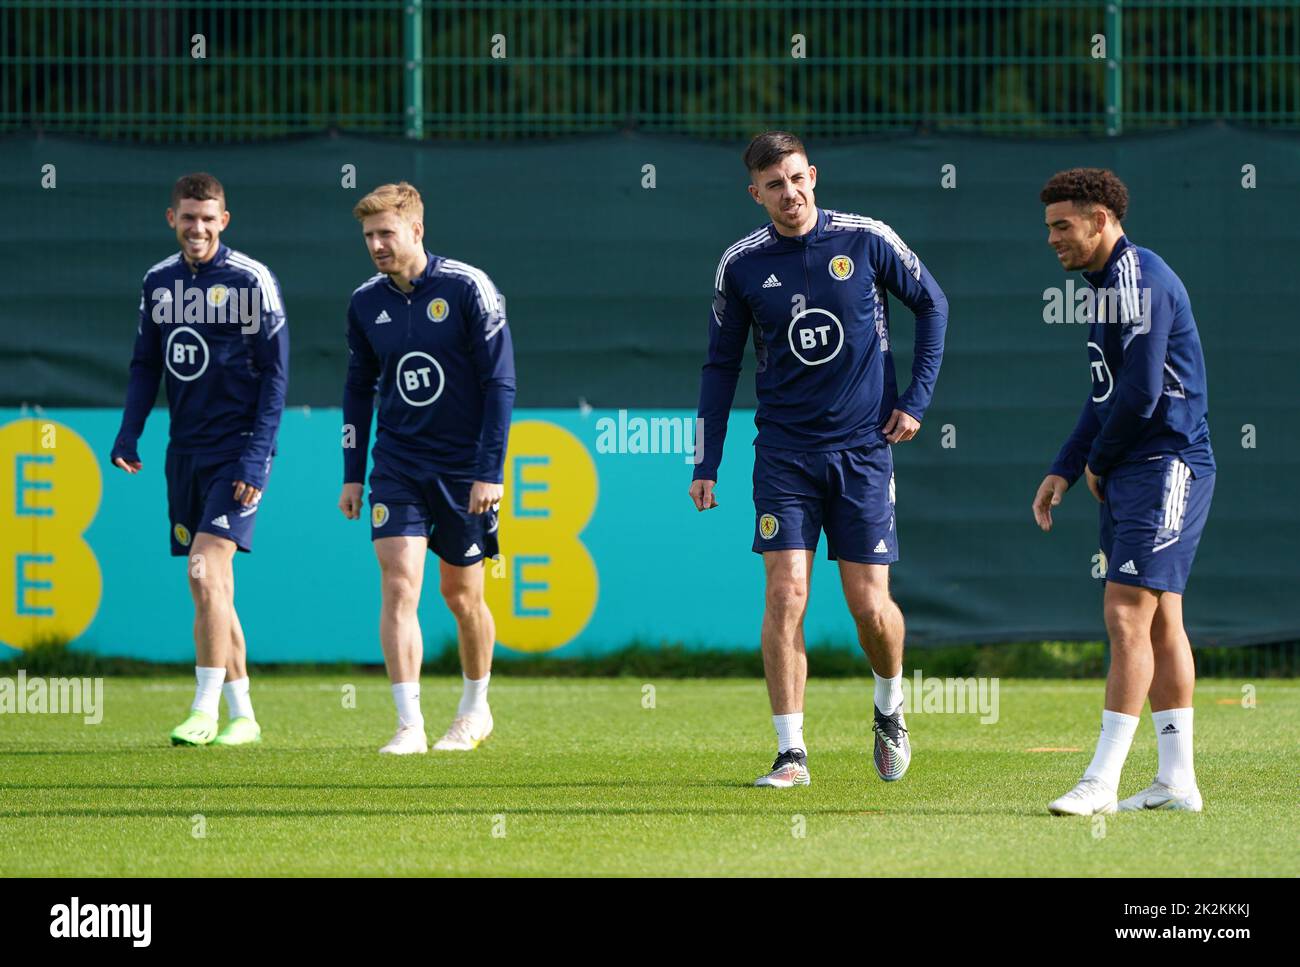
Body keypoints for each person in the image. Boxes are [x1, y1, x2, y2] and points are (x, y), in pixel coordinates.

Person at [690, 132, 949, 787]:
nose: (791, 193)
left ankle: (889, 704)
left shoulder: (865, 239)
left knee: (870, 607)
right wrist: (705, 461)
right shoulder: (741, 264)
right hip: (784, 455)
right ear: (756, 193)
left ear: (815, 176)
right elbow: (720, 366)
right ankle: (790, 753)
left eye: (798, 178)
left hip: (864, 451)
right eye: (775, 184)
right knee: (786, 596)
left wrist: (916, 400)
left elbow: (933, 304)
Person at [1033, 168, 1215, 815]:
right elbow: (1107, 390)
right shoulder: (1104, 285)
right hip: (1136, 465)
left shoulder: (1137, 279)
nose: (1052, 238)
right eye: (1049, 226)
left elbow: (1140, 397)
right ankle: (1175, 782)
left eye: (1062, 225)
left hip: (1166, 462)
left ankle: (1101, 781)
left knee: (1124, 611)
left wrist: (1099, 463)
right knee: (1162, 619)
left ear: (1101, 219)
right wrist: (1066, 463)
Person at [112, 172, 289, 747]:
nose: (198, 228)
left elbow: (276, 376)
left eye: (209, 218)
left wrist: (257, 458)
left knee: (205, 572)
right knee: (211, 589)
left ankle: (204, 709)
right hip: (183, 451)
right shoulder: (158, 282)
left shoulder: (250, 280)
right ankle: (245, 716)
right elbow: (146, 365)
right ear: (172, 219)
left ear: (225, 221)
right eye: (188, 217)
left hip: (237, 453)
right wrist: (129, 433)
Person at [339, 182, 516, 755]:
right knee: (398, 583)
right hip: (397, 464)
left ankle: (474, 708)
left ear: (416, 229)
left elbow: (500, 384)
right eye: (368, 235)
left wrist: (490, 471)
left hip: (464, 470)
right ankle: (409, 723)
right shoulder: (366, 301)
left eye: (386, 232)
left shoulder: (468, 288)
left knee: (462, 597)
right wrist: (352, 470)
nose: (376, 245)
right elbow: (357, 388)